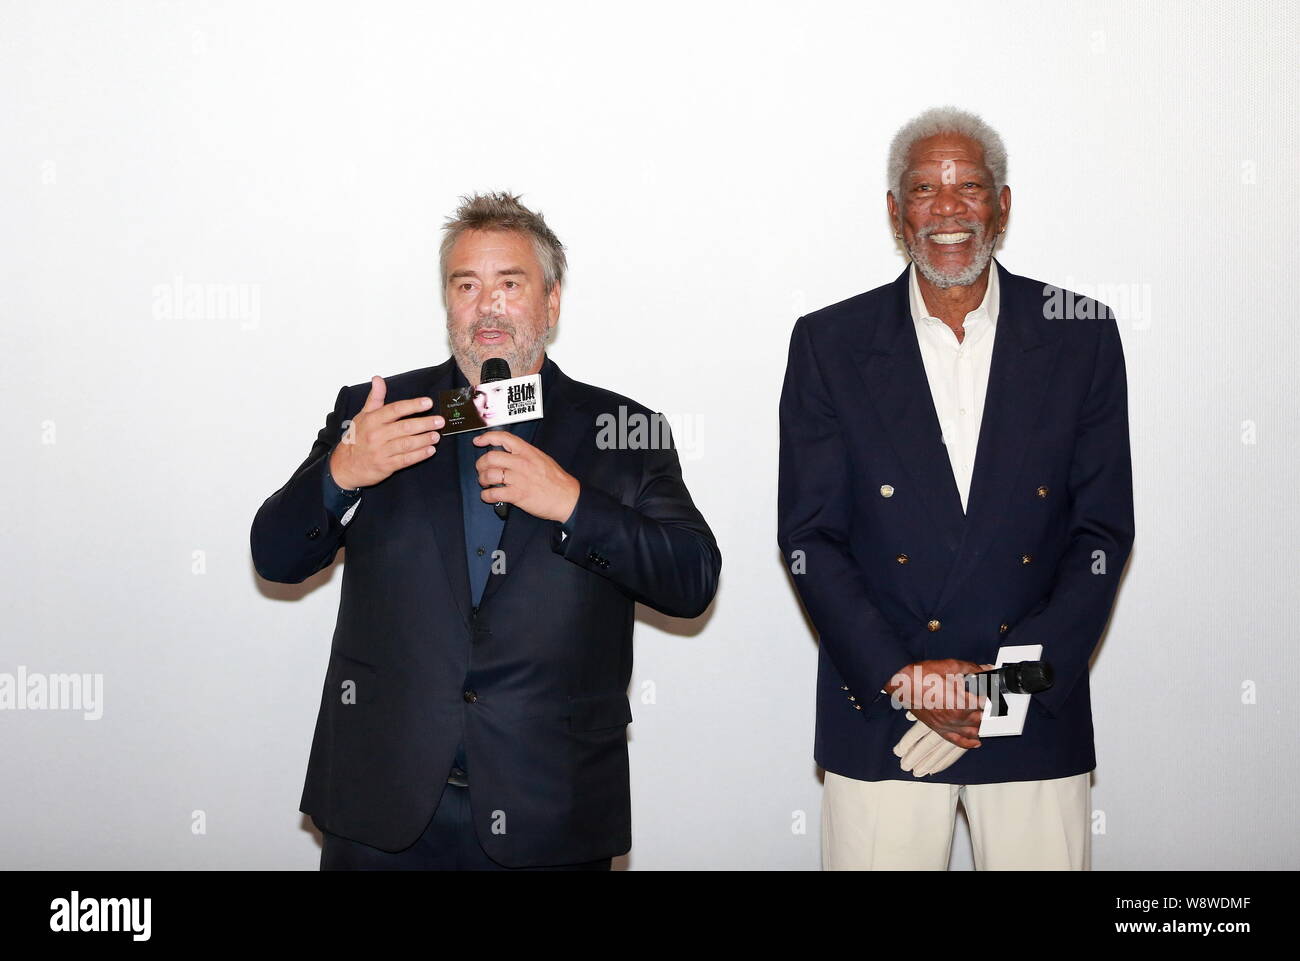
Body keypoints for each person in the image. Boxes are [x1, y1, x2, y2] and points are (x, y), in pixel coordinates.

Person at [251, 191, 720, 870]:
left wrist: (572, 503)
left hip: (551, 810)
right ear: (448, 303)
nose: (487, 305)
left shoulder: (624, 431)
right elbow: (275, 555)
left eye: (510, 284)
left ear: (551, 304)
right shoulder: (380, 411)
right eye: (466, 285)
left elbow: (693, 578)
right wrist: (343, 470)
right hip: (382, 807)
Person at [777, 107, 1134, 870]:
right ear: (895, 212)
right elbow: (810, 538)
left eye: (970, 187)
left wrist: (999, 687)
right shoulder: (829, 343)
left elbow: (1101, 535)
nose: (948, 210)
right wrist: (908, 679)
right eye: (925, 190)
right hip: (881, 714)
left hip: (1034, 711)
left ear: (1003, 206)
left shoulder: (1082, 334)